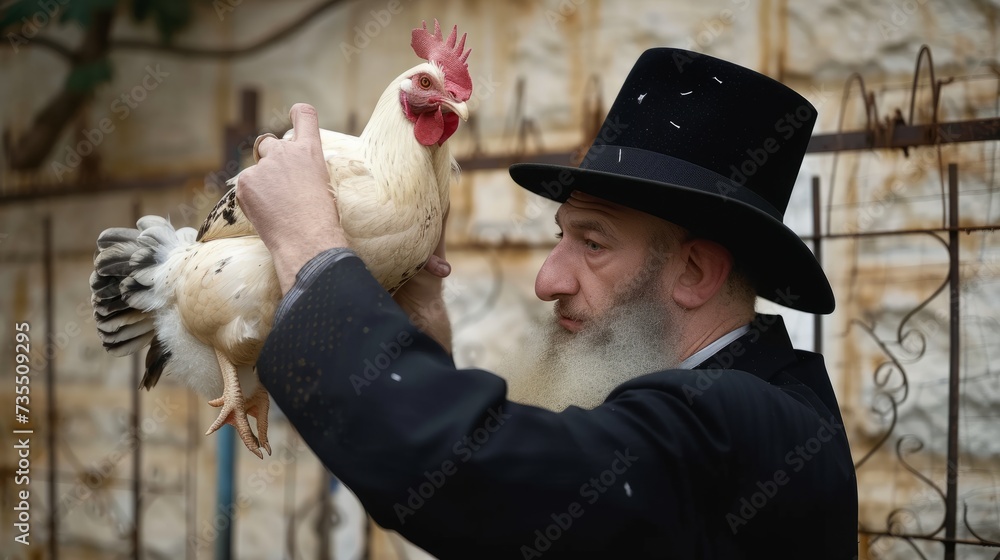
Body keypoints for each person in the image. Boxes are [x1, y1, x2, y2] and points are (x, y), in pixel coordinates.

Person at [237, 48, 858, 558]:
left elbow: (477, 477)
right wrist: (426, 331)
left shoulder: (740, 422)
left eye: (593, 242)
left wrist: (311, 252)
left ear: (694, 272)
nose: (547, 280)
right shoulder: (728, 399)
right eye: (561, 235)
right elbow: (532, 506)